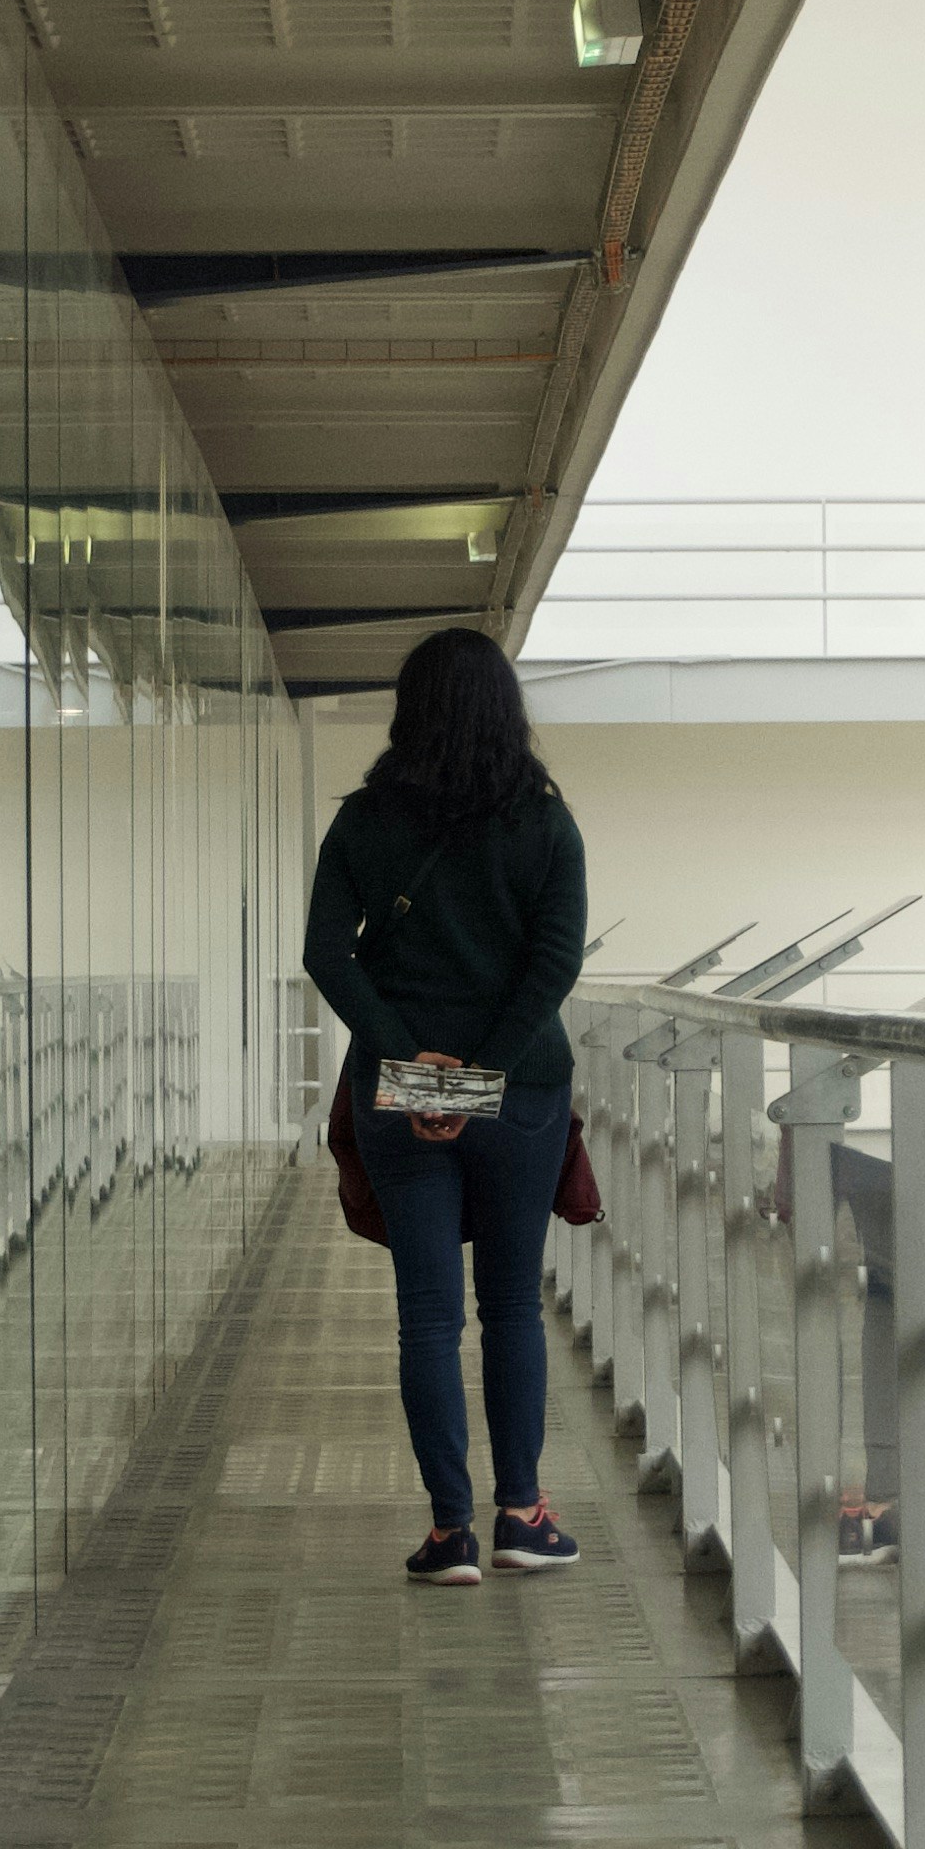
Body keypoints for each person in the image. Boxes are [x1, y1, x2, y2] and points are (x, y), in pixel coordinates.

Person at [302, 626, 588, 1585]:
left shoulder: (366, 820)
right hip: (520, 1095)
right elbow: (554, 963)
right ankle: (522, 1514)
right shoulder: (546, 822)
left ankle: (449, 1533)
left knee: (427, 1315)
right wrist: (487, 1074)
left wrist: (408, 1058)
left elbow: (326, 954)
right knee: (511, 1305)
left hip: (400, 1084)